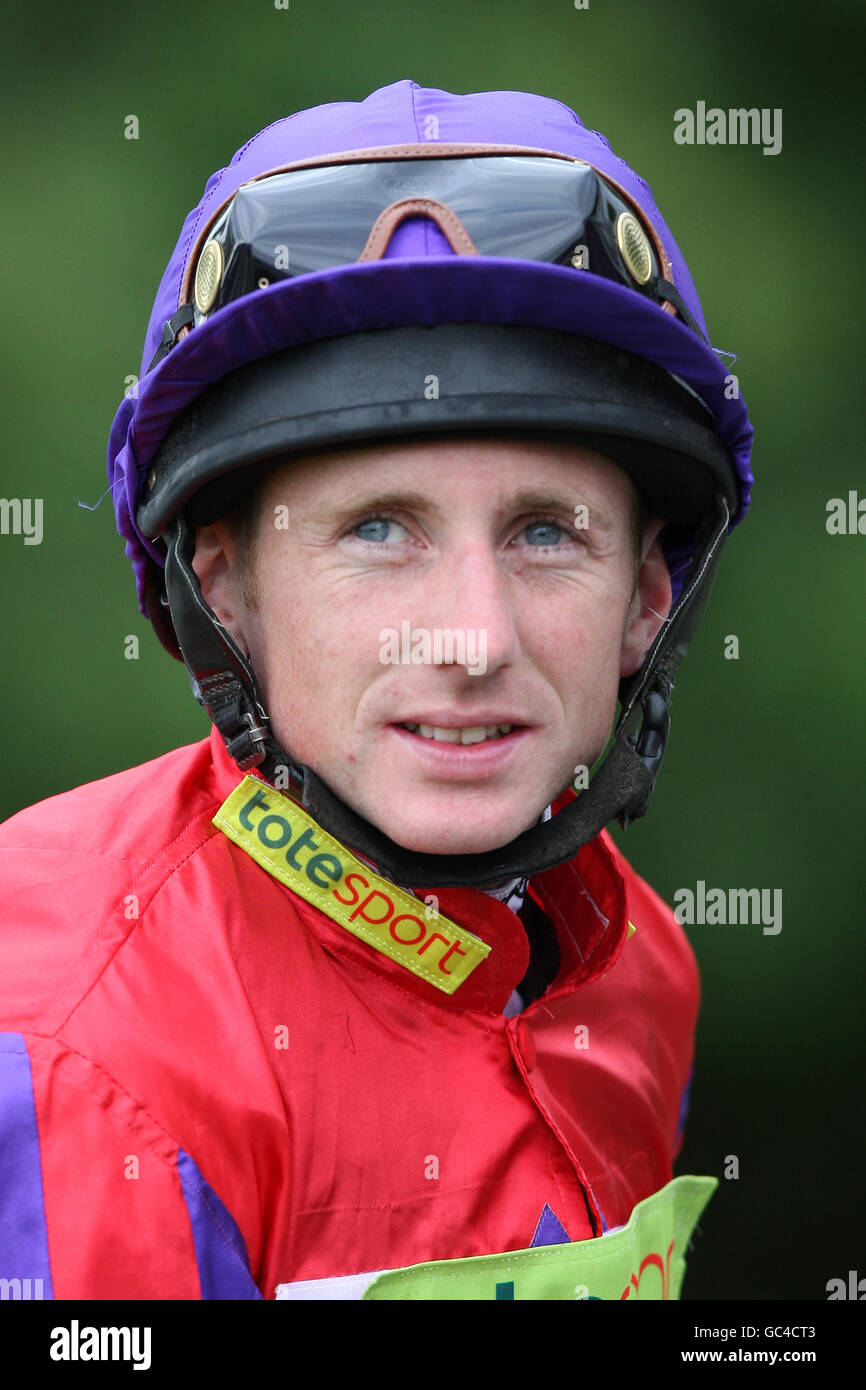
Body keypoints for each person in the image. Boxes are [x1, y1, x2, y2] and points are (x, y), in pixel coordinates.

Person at [0, 79, 753, 1301]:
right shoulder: (69, 1053)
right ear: (225, 594)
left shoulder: (636, 960)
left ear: (646, 601)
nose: (469, 636)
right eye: (376, 531)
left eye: (545, 534)